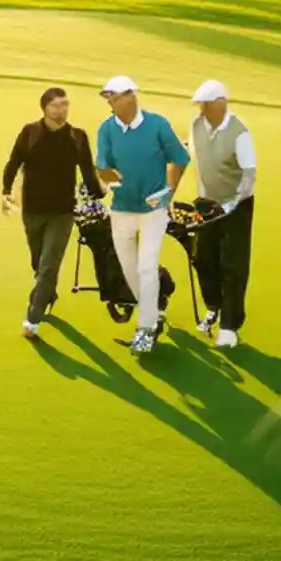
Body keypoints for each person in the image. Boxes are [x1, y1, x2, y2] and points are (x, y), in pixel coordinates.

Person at [95, 76, 190, 354]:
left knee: (146, 267)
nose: (110, 102)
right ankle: (155, 312)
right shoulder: (106, 129)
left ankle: (146, 329)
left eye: (113, 96)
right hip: (122, 208)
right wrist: (109, 181)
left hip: (153, 210)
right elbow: (104, 165)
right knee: (129, 269)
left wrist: (168, 193)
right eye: (107, 98)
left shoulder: (157, 125)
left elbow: (180, 158)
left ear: (130, 96)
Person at [2, 87, 105, 340]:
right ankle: (47, 292)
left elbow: (88, 173)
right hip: (33, 210)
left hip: (62, 212)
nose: (61, 110)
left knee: (49, 265)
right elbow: (14, 163)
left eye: (65, 105)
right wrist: (5, 191)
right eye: (56, 105)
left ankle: (32, 319)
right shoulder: (30, 133)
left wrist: (100, 194)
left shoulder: (77, 137)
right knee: (39, 262)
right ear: (45, 108)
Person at [188, 79, 256, 348]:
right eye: (199, 105)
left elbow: (249, 175)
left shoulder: (240, 133)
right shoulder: (196, 126)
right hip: (206, 203)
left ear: (221, 103)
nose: (201, 109)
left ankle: (229, 326)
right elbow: (191, 154)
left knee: (233, 265)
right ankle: (213, 306)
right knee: (202, 258)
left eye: (206, 104)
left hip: (236, 206)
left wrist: (230, 205)